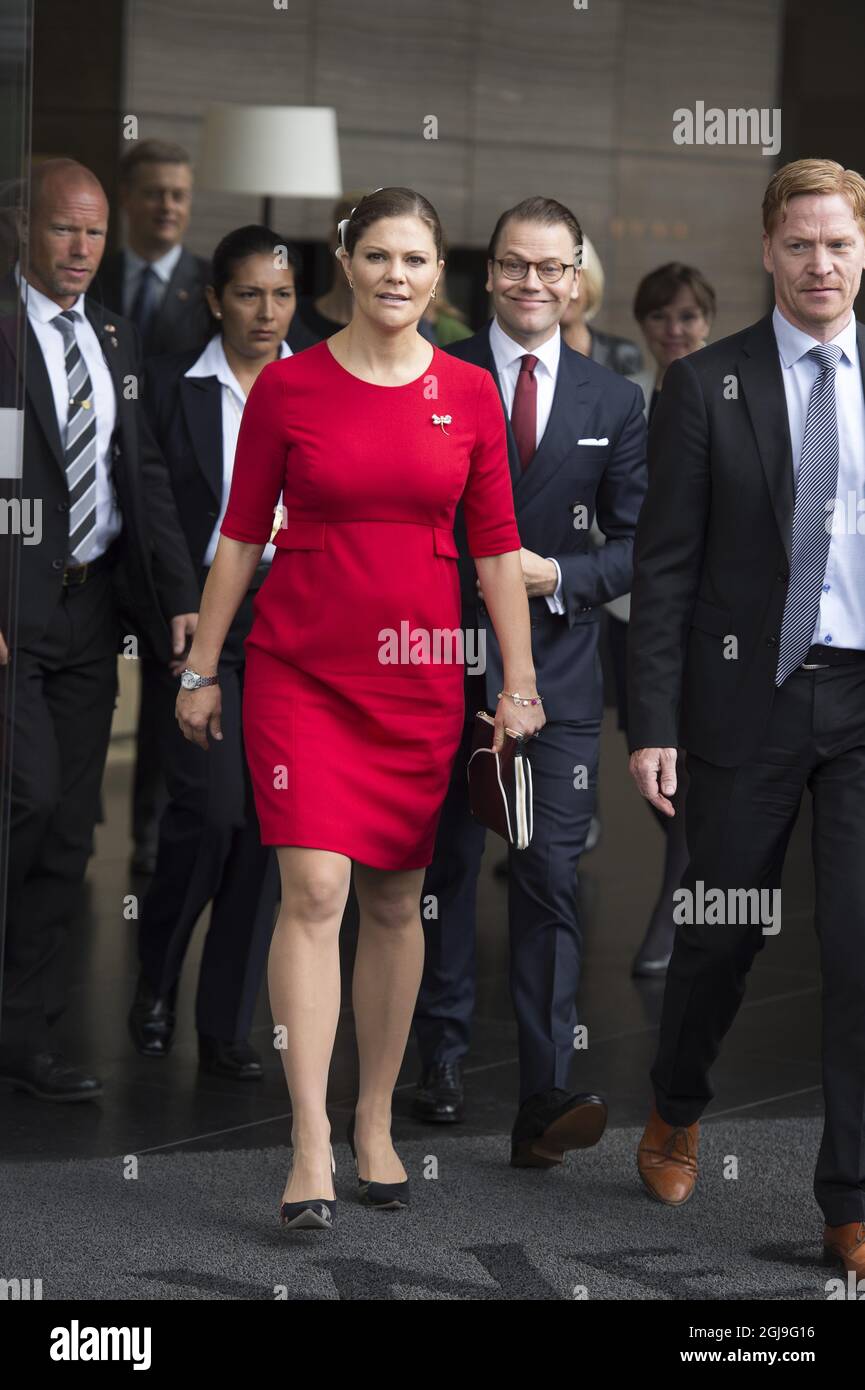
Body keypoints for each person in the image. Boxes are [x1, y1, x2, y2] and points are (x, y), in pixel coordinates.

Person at [174, 186, 544, 1230]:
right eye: (377, 255)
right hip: (300, 675)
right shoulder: (289, 389)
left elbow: (496, 551)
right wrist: (202, 669)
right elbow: (240, 537)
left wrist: (515, 684)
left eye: (416, 260)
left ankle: (374, 1118)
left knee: (393, 901)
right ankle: (307, 1137)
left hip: (421, 678)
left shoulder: (469, 392)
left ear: (440, 274)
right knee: (316, 891)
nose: (396, 275)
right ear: (346, 261)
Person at [628, 158, 865, 1279]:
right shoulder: (704, 385)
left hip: (861, 695)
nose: (821, 264)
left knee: (860, 951)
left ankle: (849, 1198)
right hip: (746, 698)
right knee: (723, 931)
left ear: (862, 251)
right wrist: (653, 721)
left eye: (840, 243)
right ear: (767, 252)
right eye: (800, 244)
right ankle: (676, 1103)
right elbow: (663, 570)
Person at [412, 197, 647, 1163]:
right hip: (434, 662)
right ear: (488, 273)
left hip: (556, 672)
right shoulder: (434, 371)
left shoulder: (613, 400)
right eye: (514, 266)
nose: (532, 284)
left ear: (577, 273)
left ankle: (544, 1094)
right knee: (443, 874)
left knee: (550, 876)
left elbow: (643, 545)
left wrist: (561, 576)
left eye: (551, 268)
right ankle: (439, 1057)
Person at [0, 158, 199, 1101]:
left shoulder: (115, 336)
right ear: (21, 230)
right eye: (60, 230)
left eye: (90, 233)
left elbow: (142, 478)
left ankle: (24, 1036)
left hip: (92, 610)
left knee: (71, 832)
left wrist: (178, 599)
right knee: (25, 803)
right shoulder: (1, 336)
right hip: (13, 610)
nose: (78, 250)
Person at [128, 226, 306, 1079]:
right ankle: (154, 979)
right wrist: (180, 608)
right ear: (213, 300)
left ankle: (225, 1025)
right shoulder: (172, 387)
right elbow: (154, 507)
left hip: (299, 624)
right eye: (247, 294)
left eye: (280, 295)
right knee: (210, 814)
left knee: (270, 829)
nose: (266, 312)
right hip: (205, 616)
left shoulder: (322, 382)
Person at [607, 263, 716, 976]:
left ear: (707, 320)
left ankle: (673, 914)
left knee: (681, 755)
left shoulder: (724, 392)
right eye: (658, 318)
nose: (673, 330)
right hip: (622, 610)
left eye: (686, 316)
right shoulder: (625, 402)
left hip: (703, 616)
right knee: (641, 750)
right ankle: (695, 871)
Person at [560, 233, 643, 374]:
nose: (566, 290)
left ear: (590, 283)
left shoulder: (621, 356)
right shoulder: (525, 359)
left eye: (575, 276)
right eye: (550, 271)